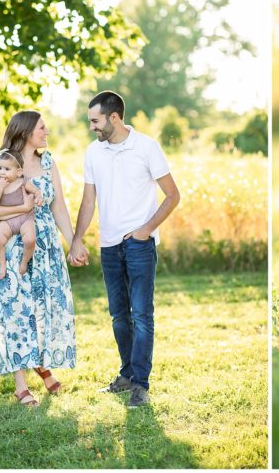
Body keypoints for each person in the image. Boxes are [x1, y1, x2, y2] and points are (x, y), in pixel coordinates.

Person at [68, 91, 180, 408]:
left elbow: (173, 195)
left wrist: (145, 230)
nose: (92, 127)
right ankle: (127, 375)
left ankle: (141, 386)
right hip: (109, 246)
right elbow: (88, 200)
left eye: (95, 120)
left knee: (142, 315)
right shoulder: (93, 153)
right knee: (119, 317)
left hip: (139, 245)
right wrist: (77, 239)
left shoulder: (146, 147)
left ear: (113, 117)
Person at [0, 111, 77, 407]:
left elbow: (59, 206)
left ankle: (42, 364)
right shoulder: (2, 163)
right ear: (24, 133)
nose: (47, 132)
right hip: (11, 245)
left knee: (42, 307)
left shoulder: (48, 162)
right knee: (16, 309)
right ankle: (21, 385)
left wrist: (74, 243)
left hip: (45, 248)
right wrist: (23, 211)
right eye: (41, 128)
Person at [0, 149, 43, 279]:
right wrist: (0, 188)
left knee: (30, 239)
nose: (2, 172)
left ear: (19, 172)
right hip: (8, 220)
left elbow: (36, 191)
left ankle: (24, 262)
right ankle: (2, 265)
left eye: (7, 169)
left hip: (25, 218)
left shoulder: (22, 181)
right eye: (0, 168)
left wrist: (38, 197)